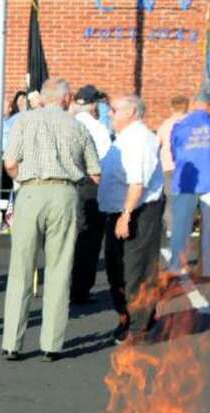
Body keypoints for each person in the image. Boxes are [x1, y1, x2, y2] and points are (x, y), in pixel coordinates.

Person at [1, 77, 101, 362]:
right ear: (67, 99)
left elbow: (9, 162)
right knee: (58, 269)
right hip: (64, 193)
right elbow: (95, 171)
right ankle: (52, 344)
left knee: (21, 269)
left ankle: (12, 341)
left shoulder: (23, 121)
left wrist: (21, 176)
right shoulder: (78, 126)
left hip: (30, 192)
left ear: (43, 98)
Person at [98, 95, 164, 343]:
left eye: (114, 110)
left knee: (137, 270)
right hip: (116, 211)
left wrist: (126, 215)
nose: (110, 114)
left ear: (132, 112)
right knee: (116, 270)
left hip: (138, 211)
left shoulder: (141, 139)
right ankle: (126, 317)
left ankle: (140, 327)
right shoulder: (122, 139)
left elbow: (138, 182)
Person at [168, 92, 210, 282]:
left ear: (194, 105)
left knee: (181, 225)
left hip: (186, 181)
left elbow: (174, 152)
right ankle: (208, 269)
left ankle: (177, 266)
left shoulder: (179, 127)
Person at [70, 84, 113, 305]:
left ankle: (63, 287)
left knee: (68, 238)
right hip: (90, 184)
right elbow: (104, 161)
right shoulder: (96, 128)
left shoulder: (67, 123)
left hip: (67, 184)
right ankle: (80, 290)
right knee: (89, 239)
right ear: (91, 104)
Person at [156, 94, 190, 260]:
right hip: (186, 168)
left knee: (170, 202)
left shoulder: (166, 125)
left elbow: (157, 144)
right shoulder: (191, 124)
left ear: (172, 107)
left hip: (168, 167)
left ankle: (171, 233)